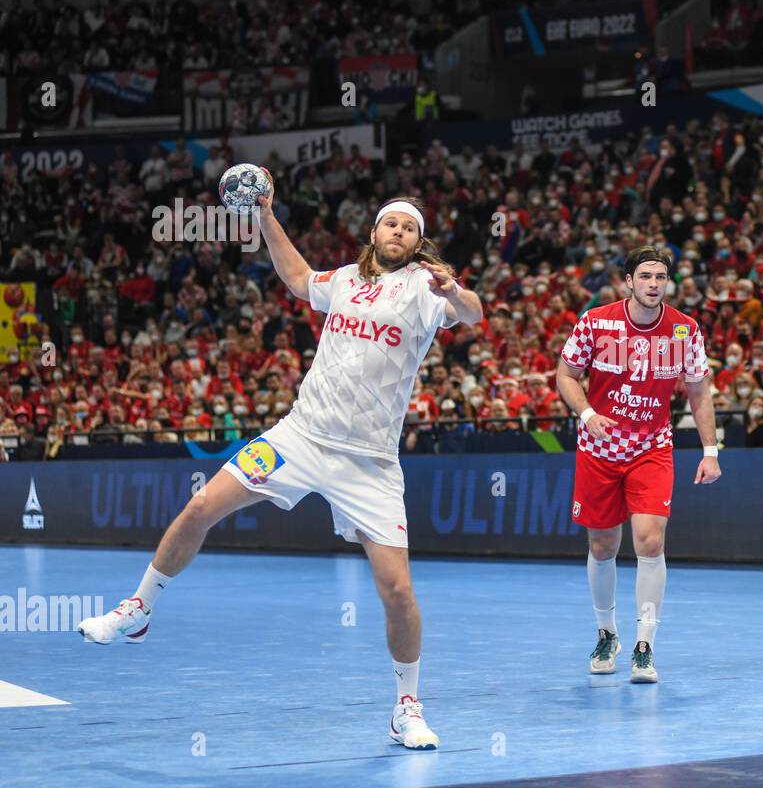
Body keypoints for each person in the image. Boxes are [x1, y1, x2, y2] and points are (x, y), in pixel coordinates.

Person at [76, 178, 484, 751]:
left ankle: (406, 706)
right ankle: (138, 608)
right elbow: (296, 278)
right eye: (391, 222)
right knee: (200, 507)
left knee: (396, 592)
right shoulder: (344, 279)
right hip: (300, 435)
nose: (399, 231)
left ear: (419, 244)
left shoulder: (424, 287)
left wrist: (455, 287)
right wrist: (265, 214)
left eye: (410, 227)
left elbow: (472, 314)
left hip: (369, 462)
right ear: (374, 232)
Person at [555, 245, 720, 684]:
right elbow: (565, 374)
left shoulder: (685, 330)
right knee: (602, 547)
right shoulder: (596, 321)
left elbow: (699, 391)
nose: (653, 284)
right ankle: (607, 633)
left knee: (649, 541)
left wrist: (710, 450)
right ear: (628, 280)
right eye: (645, 276)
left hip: (651, 449)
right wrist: (588, 415)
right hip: (599, 450)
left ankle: (644, 645)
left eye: (660, 277)